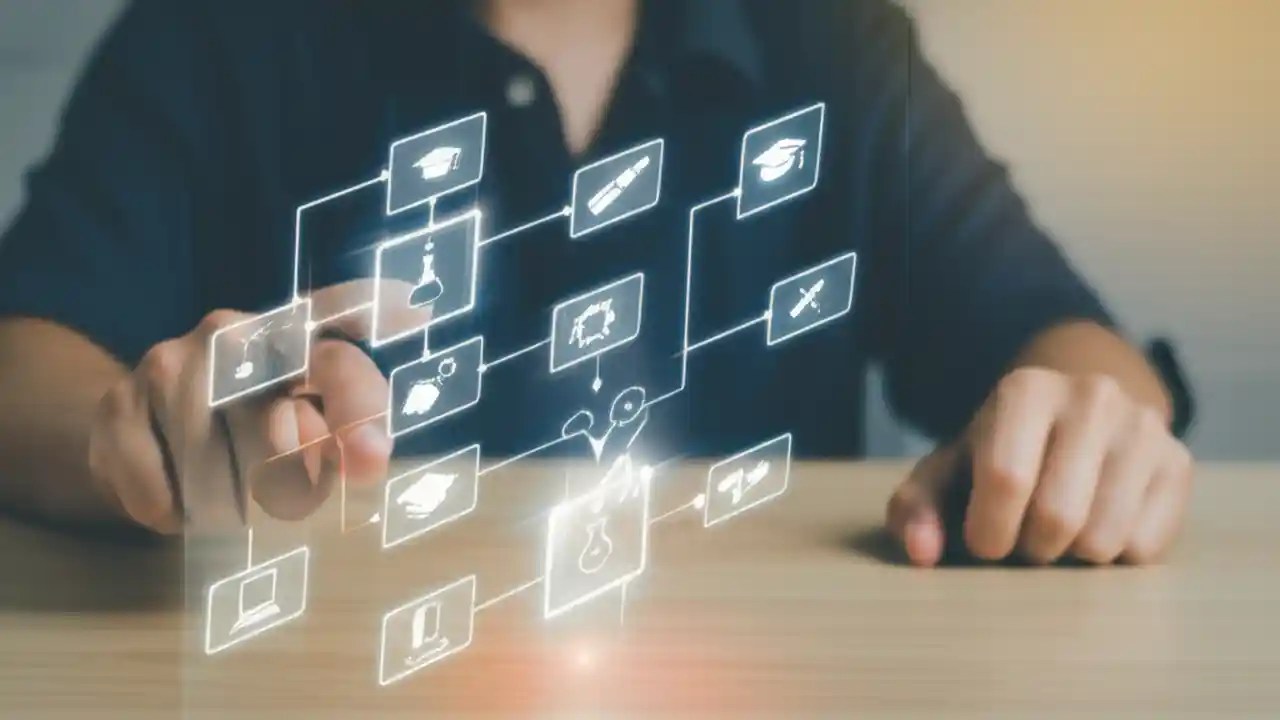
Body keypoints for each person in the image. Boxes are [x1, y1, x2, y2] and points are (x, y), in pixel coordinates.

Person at [0, 0, 1193, 566]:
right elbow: (26, 362)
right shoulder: (215, 35)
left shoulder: (829, 42)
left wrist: (1084, 426)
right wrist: (138, 438)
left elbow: (1061, 341)